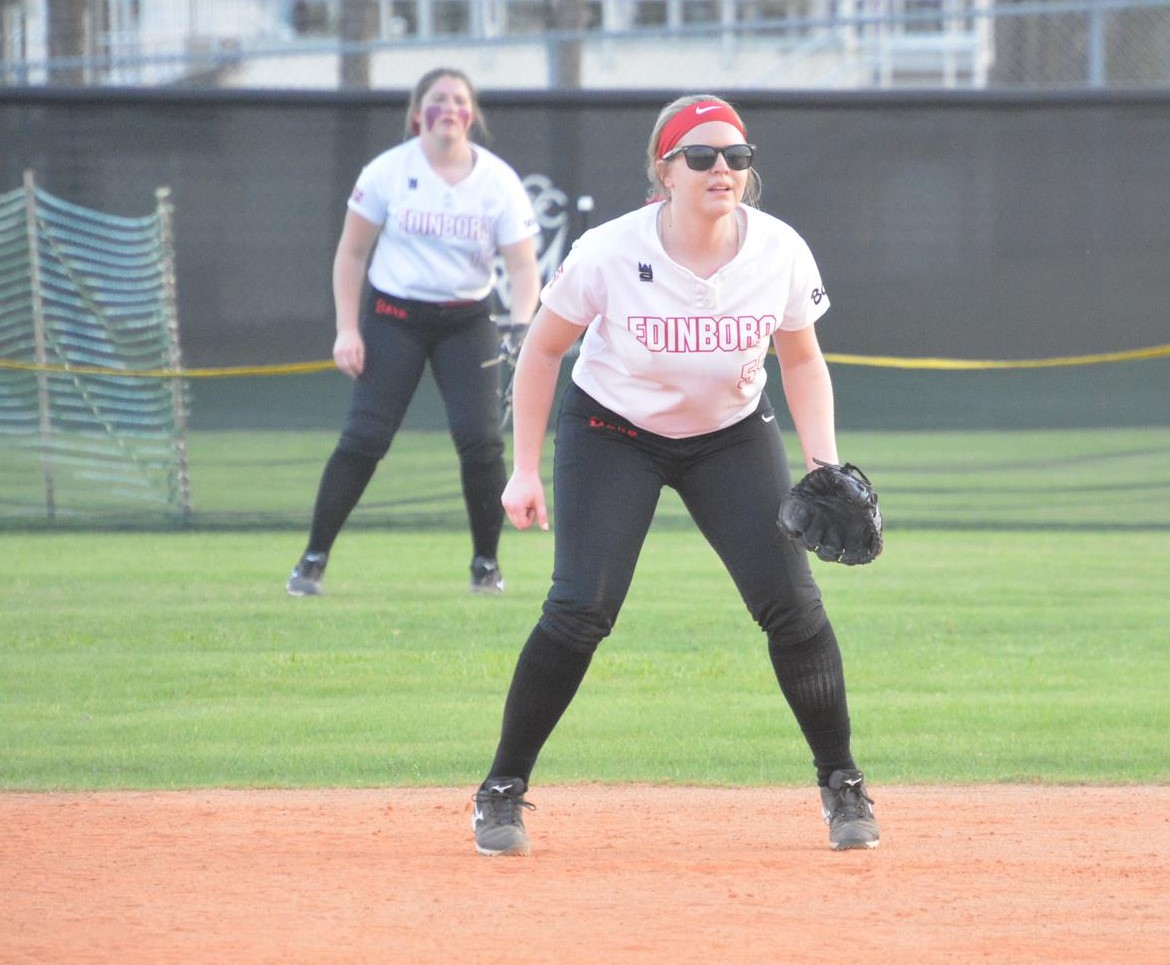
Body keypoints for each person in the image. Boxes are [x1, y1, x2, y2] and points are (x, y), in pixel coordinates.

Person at [469, 94, 879, 855]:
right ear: (666, 171)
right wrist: (523, 469)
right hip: (611, 431)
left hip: (730, 434)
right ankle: (501, 791)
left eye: (736, 156)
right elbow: (542, 350)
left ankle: (843, 783)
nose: (722, 167)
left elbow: (801, 357)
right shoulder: (610, 251)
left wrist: (823, 461)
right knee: (579, 608)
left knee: (792, 607)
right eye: (702, 155)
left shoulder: (779, 249)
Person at [286, 67, 540, 597]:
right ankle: (312, 558)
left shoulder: (497, 180)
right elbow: (352, 253)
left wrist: (521, 328)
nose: (449, 109)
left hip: (467, 320)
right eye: (438, 99)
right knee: (365, 438)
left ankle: (485, 565)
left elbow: (521, 267)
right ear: (416, 112)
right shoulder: (387, 171)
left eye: (460, 101)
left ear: (472, 115)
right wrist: (345, 330)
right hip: (394, 316)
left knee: (482, 443)